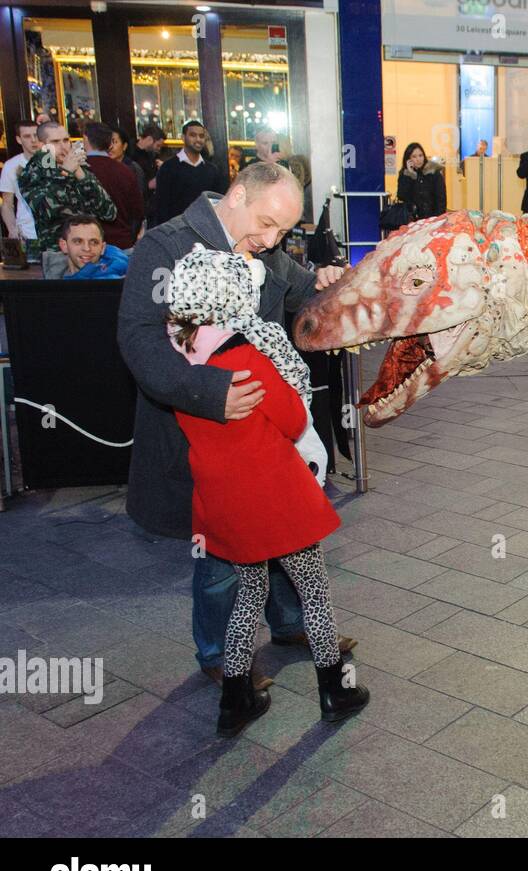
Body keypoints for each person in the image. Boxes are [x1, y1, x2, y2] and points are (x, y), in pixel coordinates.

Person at [117, 160, 357, 690]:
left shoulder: (263, 246)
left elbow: (300, 290)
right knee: (222, 550)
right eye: (267, 223)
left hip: (263, 426)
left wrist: (328, 281)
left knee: (281, 526)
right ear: (237, 194)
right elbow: (138, 339)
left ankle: (292, 625)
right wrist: (209, 392)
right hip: (203, 426)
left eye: (282, 231)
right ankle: (222, 655)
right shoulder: (166, 245)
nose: (271, 239)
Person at [164, 243, 368, 736]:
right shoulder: (245, 355)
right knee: (314, 591)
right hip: (274, 497)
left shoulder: (178, 360)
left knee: (248, 594)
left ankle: (235, 698)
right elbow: (295, 418)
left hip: (223, 503)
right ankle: (335, 688)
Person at [17, 121, 117, 253]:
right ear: (42, 146)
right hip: (58, 254)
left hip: (92, 251)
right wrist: (65, 174)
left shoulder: (79, 167)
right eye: (55, 142)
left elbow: (109, 213)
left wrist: (82, 176)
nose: (63, 146)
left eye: (65, 140)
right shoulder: (33, 172)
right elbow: (47, 210)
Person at [151, 120, 229, 226]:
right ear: (183, 137)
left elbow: (217, 203)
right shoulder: (168, 168)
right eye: (193, 135)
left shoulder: (212, 170)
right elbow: (161, 206)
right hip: (176, 230)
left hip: (205, 230)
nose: (198, 139)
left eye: (201, 136)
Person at [81, 121, 145, 250]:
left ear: (85, 139)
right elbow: (137, 212)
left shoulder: (79, 170)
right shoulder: (125, 171)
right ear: (110, 143)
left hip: (87, 247)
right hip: (122, 242)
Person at [42, 214, 130, 279]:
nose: (87, 248)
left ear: (102, 248)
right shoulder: (51, 282)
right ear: (64, 245)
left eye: (94, 242)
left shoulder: (123, 273)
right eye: (78, 241)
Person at [1, 120, 41, 251]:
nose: (33, 140)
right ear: (19, 139)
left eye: (36, 135)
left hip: (57, 233)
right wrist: (12, 230)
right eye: (27, 136)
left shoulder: (53, 161)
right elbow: (7, 203)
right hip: (27, 233)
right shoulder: (11, 166)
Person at [396, 142, 447, 221]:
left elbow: (441, 199)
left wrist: (437, 219)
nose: (418, 159)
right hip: (412, 220)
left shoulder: (433, 172)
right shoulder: (405, 174)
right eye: (414, 156)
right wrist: (410, 175)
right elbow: (402, 196)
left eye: (421, 155)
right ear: (408, 159)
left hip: (432, 219)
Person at [109, 126, 147, 204]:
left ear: (124, 146)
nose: (110, 147)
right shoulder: (105, 166)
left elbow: (138, 198)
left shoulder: (133, 168)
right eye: (107, 142)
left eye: (115, 142)